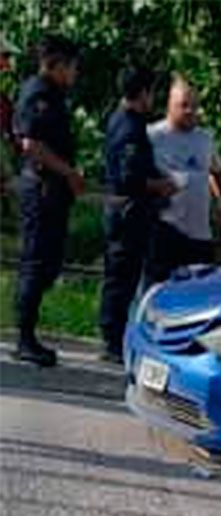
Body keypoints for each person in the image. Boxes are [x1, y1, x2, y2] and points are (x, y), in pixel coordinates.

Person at [12, 35, 84, 367]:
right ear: (54, 64)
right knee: (36, 261)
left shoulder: (53, 94)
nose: (75, 73)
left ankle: (28, 335)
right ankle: (24, 339)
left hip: (53, 190)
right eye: (71, 66)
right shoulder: (38, 93)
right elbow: (31, 144)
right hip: (41, 188)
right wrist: (68, 172)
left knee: (49, 261)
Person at [98, 67, 177, 363]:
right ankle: (112, 340)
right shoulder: (130, 127)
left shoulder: (123, 120)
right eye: (151, 91)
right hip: (128, 212)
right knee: (121, 277)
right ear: (142, 93)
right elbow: (129, 177)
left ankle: (115, 335)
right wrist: (162, 186)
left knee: (125, 275)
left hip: (129, 211)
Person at [145, 75, 221, 283]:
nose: (190, 111)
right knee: (158, 290)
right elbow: (135, 179)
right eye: (183, 105)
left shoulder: (205, 138)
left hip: (199, 234)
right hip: (164, 231)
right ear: (169, 106)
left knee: (201, 291)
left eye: (194, 106)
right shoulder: (152, 136)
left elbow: (217, 172)